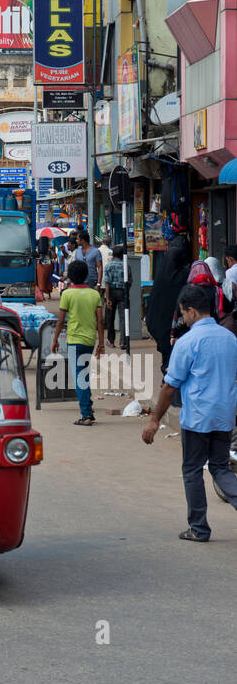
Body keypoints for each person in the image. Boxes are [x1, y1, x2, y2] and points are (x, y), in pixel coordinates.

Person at [142, 284, 237, 540]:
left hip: (198, 418)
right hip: (225, 414)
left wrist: (154, 420)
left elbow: (169, 387)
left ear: (192, 311)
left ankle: (199, 528)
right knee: (220, 467)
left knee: (193, 469)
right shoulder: (231, 339)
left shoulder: (187, 342)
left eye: (183, 313)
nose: (183, 318)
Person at [51, 258, 104, 426]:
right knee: (85, 375)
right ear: (86, 275)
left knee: (80, 378)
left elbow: (60, 321)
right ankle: (88, 409)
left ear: (71, 277)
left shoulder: (67, 294)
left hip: (73, 340)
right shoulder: (94, 294)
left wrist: (55, 340)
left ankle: (86, 414)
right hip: (89, 341)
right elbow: (100, 322)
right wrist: (101, 344)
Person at [145, 231, 192, 376]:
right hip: (175, 326)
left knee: (168, 356)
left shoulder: (160, 275)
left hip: (159, 324)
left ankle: (168, 382)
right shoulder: (184, 275)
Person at [103, 244, 132, 349]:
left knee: (110, 318)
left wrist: (107, 298)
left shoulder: (108, 266)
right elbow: (129, 282)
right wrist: (125, 292)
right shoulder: (126, 265)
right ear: (121, 255)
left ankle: (111, 341)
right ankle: (123, 342)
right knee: (123, 318)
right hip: (123, 293)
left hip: (111, 292)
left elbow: (106, 283)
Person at [35, 236, 54, 302]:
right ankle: (49, 294)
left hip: (40, 266)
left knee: (41, 281)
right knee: (48, 280)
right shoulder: (49, 250)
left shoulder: (38, 250)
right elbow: (54, 257)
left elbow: (37, 258)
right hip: (49, 266)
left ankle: (42, 295)